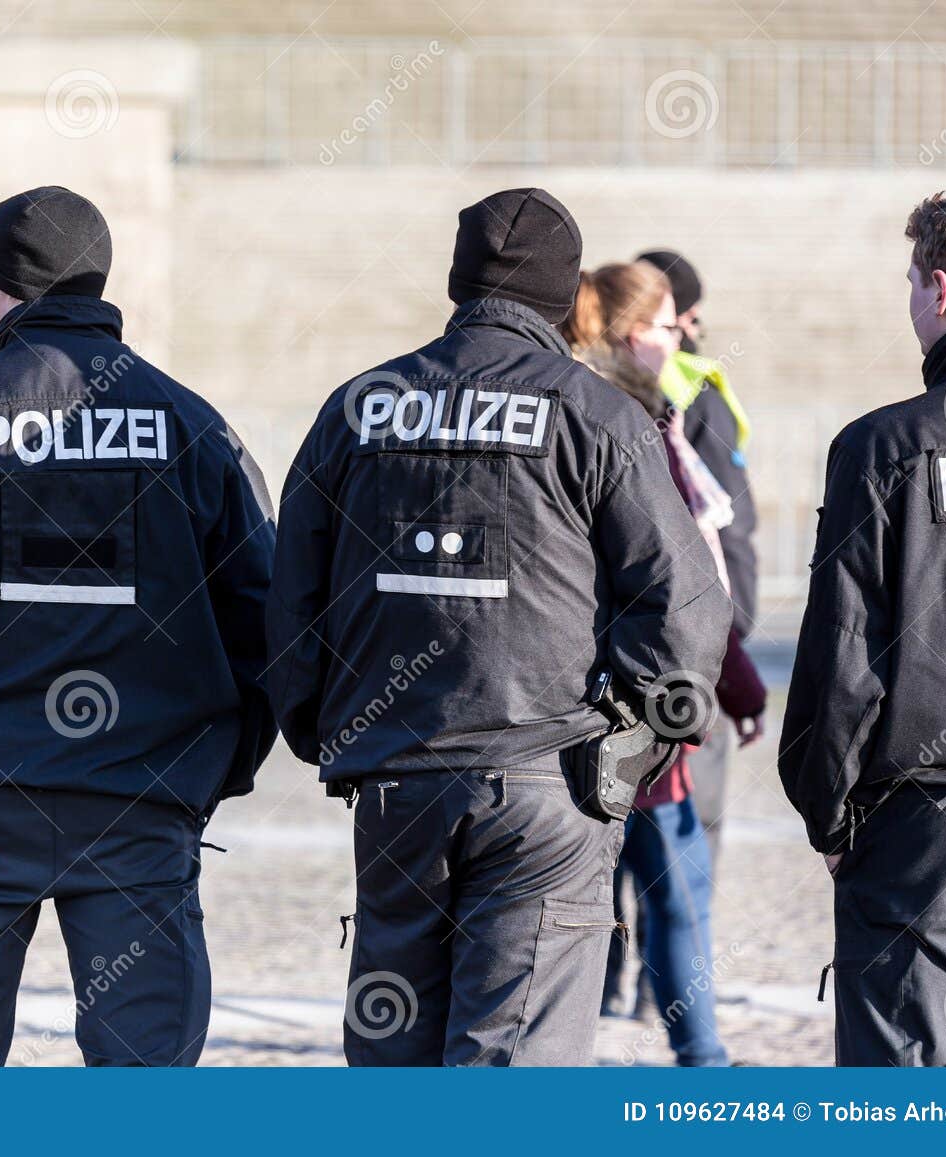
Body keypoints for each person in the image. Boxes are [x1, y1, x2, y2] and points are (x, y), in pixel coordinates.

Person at [266, 188, 732, 1067]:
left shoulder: (357, 407)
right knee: (513, 1064)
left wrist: (321, 723)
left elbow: (292, 593)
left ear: (457, 282)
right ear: (566, 300)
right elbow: (687, 605)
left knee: (393, 1051)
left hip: (398, 779)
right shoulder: (597, 414)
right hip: (547, 780)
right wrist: (635, 754)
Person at [0, 186, 276, 1067]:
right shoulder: (193, 429)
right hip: (142, 796)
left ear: (9, 290)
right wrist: (211, 767)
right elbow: (265, 619)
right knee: (144, 1076)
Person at [781, 191, 946, 1066]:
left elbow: (844, 658)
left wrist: (829, 812)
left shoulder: (887, 446)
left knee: (917, 1106)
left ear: (940, 288)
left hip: (932, 816)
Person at [566, 261, 767, 1066]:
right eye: (661, 325)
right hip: (644, 700)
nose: (677, 336)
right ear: (623, 335)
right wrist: (740, 682)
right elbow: (688, 578)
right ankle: (703, 1059)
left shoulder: (641, 413)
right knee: (677, 887)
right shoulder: (632, 422)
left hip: (593, 697)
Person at [636, 249, 758, 865]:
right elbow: (728, 526)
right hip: (695, 652)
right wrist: (732, 647)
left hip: (626, 655)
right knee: (688, 841)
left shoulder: (595, 378)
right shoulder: (698, 389)